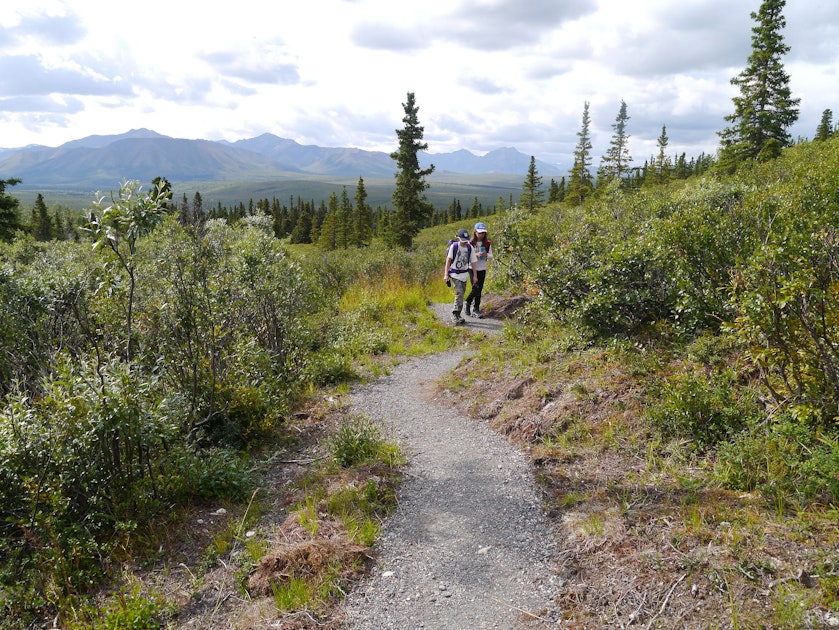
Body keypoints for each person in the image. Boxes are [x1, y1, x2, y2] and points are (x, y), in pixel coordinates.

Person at [444, 227, 478, 325]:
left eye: (466, 240)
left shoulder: (470, 248)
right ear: (458, 238)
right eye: (462, 240)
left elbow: (473, 262)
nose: (464, 242)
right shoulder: (454, 247)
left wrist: (475, 276)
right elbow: (448, 260)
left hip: (464, 275)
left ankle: (458, 314)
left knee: (462, 294)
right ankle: (454, 314)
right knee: (459, 293)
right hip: (455, 274)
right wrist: (446, 274)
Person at [465, 222, 493, 318]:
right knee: (476, 287)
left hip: (482, 268)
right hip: (472, 268)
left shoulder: (487, 243)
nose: (481, 235)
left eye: (483, 233)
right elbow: (466, 255)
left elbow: (491, 256)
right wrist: (475, 255)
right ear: (475, 232)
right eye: (479, 233)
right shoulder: (470, 243)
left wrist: (486, 255)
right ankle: (468, 302)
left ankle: (476, 309)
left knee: (479, 289)